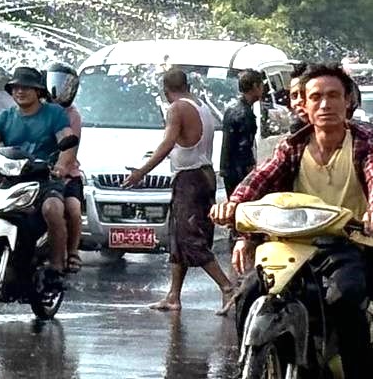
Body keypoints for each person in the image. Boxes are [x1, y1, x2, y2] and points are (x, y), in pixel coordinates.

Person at [212, 63, 373, 375]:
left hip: (346, 246)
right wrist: (232, 205)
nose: (325, 104)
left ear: (348, 101)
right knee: (247, 293)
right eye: (316, 97)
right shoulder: (291, 147)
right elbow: (258, 182)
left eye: (333, 96)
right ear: (304, 105)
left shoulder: (365, 145)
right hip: (290, 247)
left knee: (345, 296)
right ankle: (252, 359)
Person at [123, 69, 234, 313]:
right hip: (205, 174)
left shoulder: (176, 109)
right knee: (178, 239)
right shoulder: (201, 105)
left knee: (190, 238)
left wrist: (141, 171)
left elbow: (167, 143)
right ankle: (174, 295)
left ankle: (227, 287)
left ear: (165, 89)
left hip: (189, 179)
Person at [0, 67, 77, 283]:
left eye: (27, 87)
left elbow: (68, 142)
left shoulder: (54, 114)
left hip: (43, 177)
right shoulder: (4, 117)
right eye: (16, 87)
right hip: (10, 179)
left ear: (38, 92)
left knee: (53, 208)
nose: (20, 91)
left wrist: (62, 165)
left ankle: (56, 265)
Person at [46, 63, 85, 273]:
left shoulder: (72, 115)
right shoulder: (40, 110)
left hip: (67, 175)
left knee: (73, 209)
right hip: (37, 172)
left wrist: (61, 168)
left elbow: (70, 152)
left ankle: (72, 252)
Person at [221, 70, 264, 247]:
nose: (263, 90)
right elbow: (243, 147)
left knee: (236, 208)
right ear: (254, 87)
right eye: (261, 86)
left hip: (228, 168)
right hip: (238, 170)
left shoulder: (232, 109)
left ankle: (237, 237)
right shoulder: (244, 114)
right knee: (243, 209)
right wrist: (250, 172)